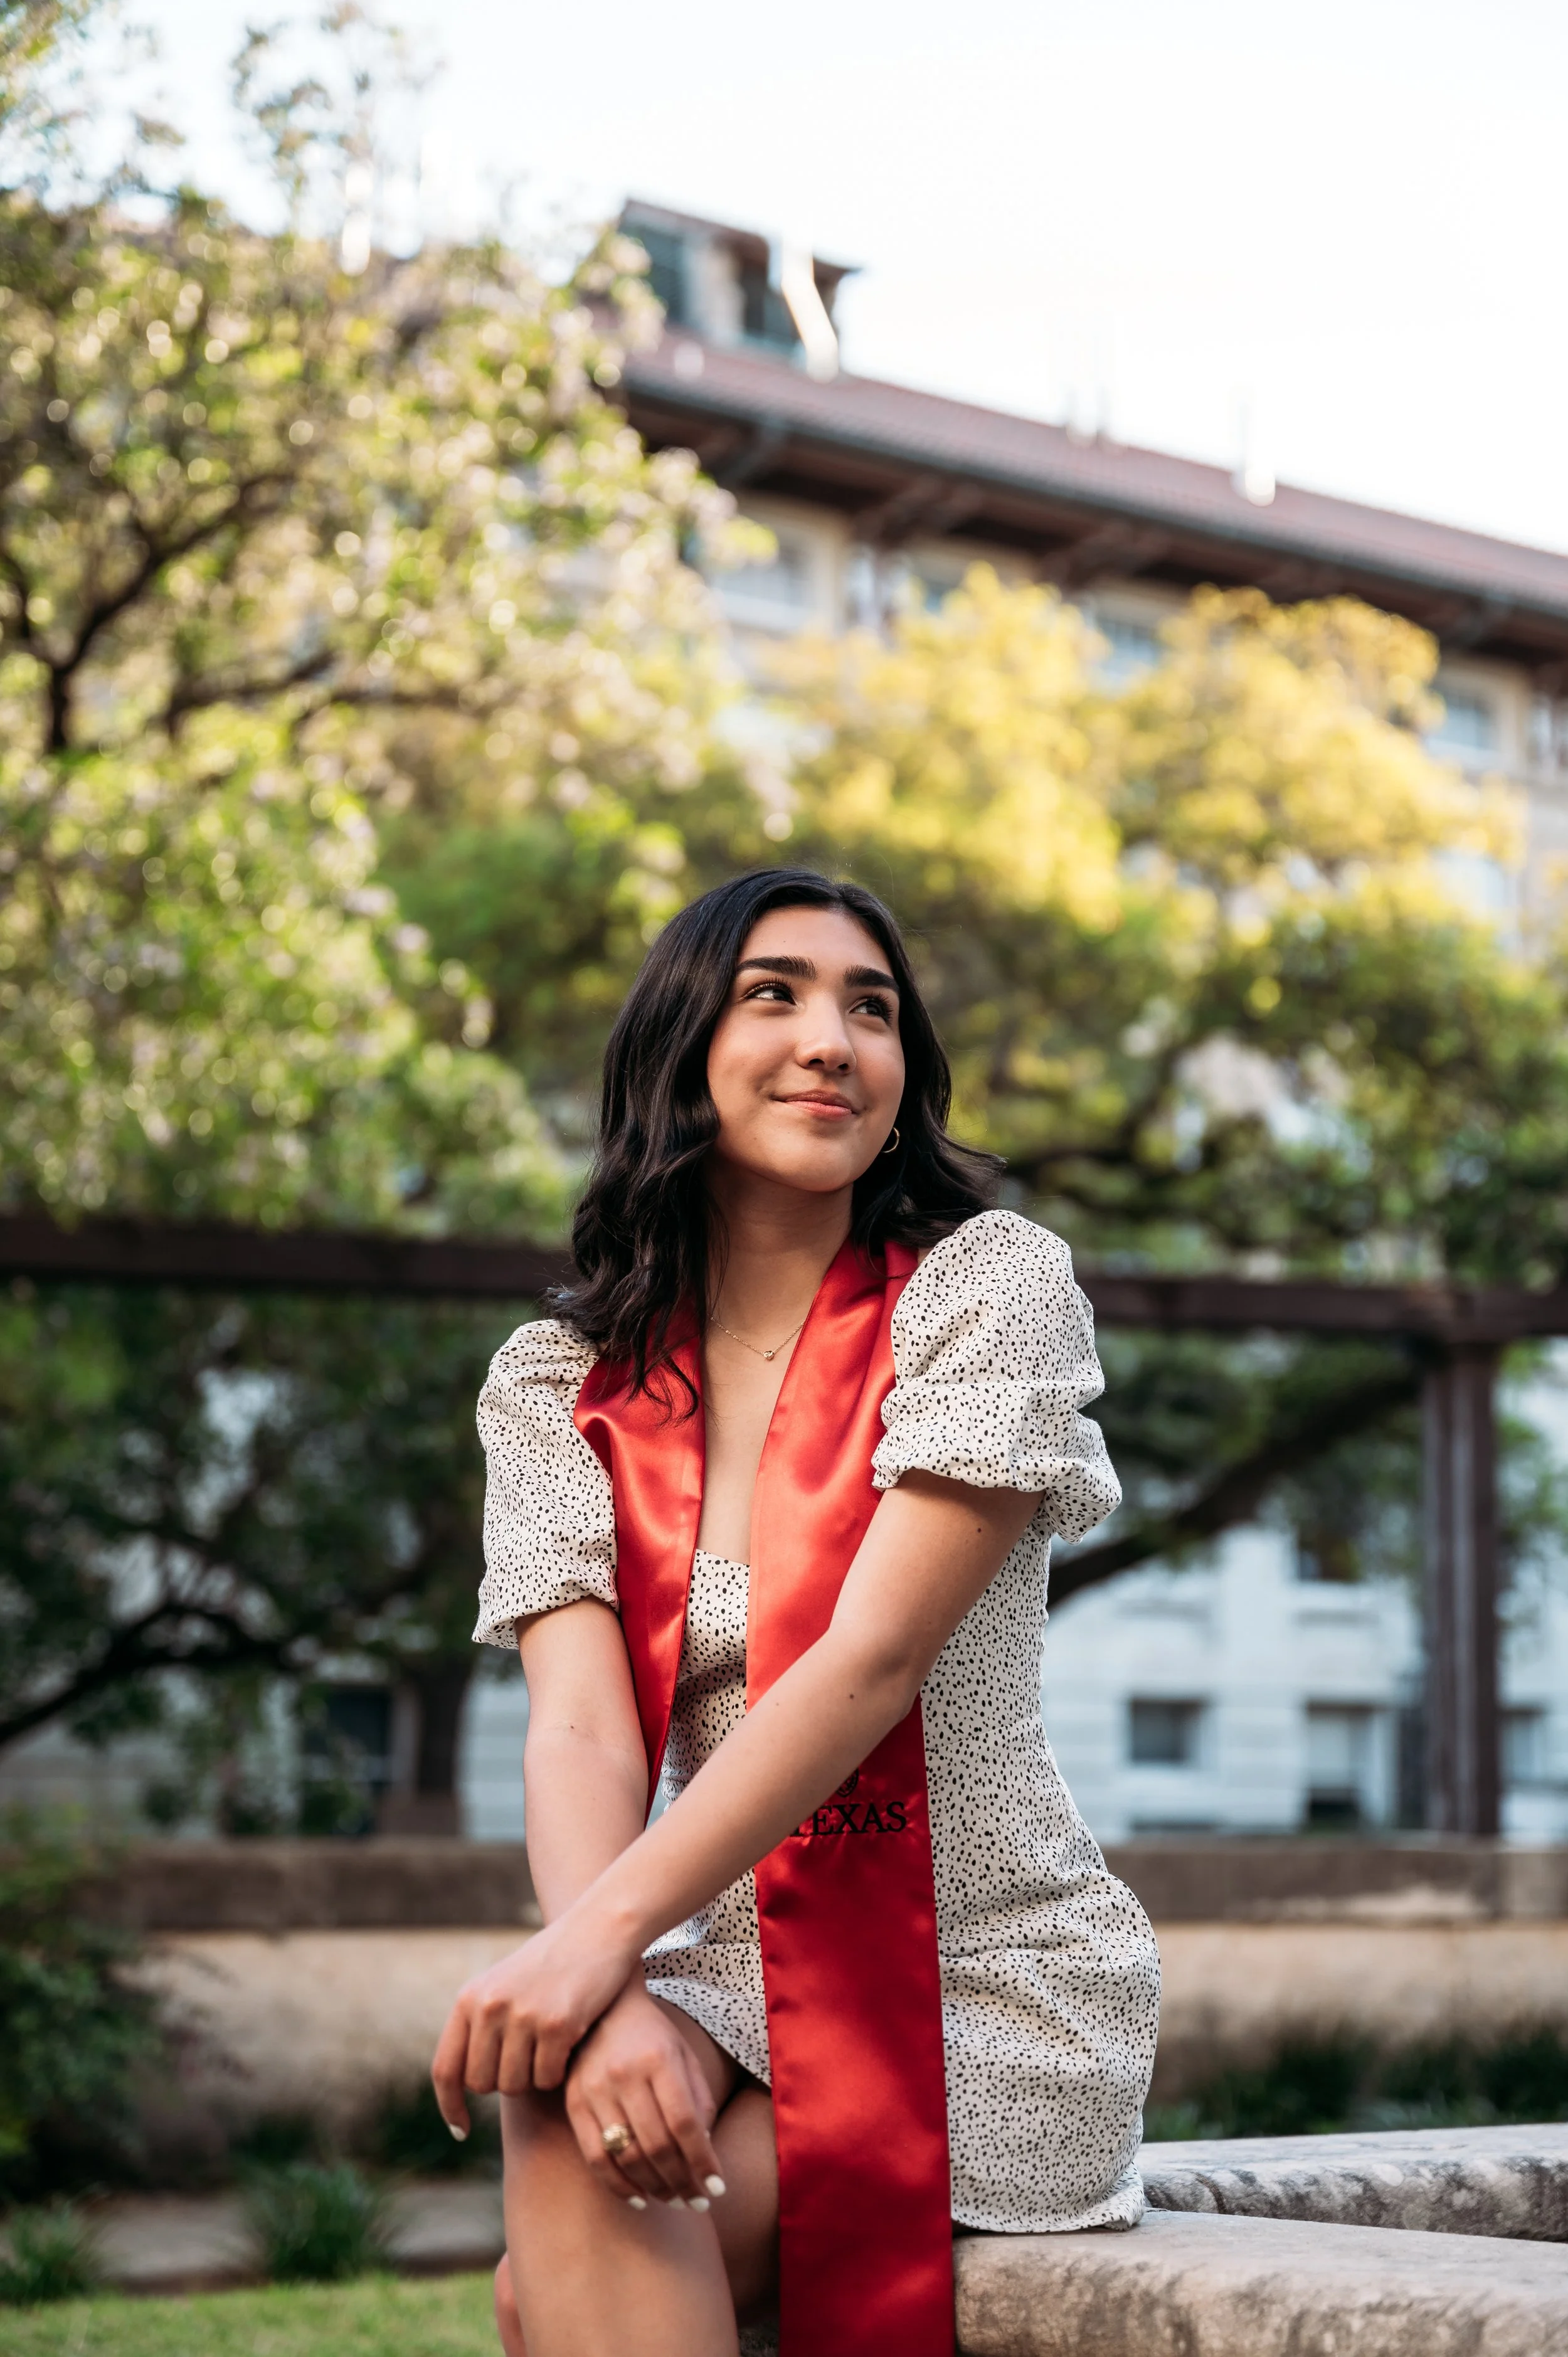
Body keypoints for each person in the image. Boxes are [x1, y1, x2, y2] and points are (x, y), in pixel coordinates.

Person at [432, 869, 1160, 2357]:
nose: (832, 1039)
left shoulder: (987, 1289)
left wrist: (597, 1943)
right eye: (776, 992)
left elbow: (869, 1660)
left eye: (871, 1008)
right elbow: (577, 1721)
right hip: (721, 1964)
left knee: (542, 2287)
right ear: (680, 1046)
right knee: (561, 2084)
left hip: (986, 1973)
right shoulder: (555, 1379)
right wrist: (609, 1978)